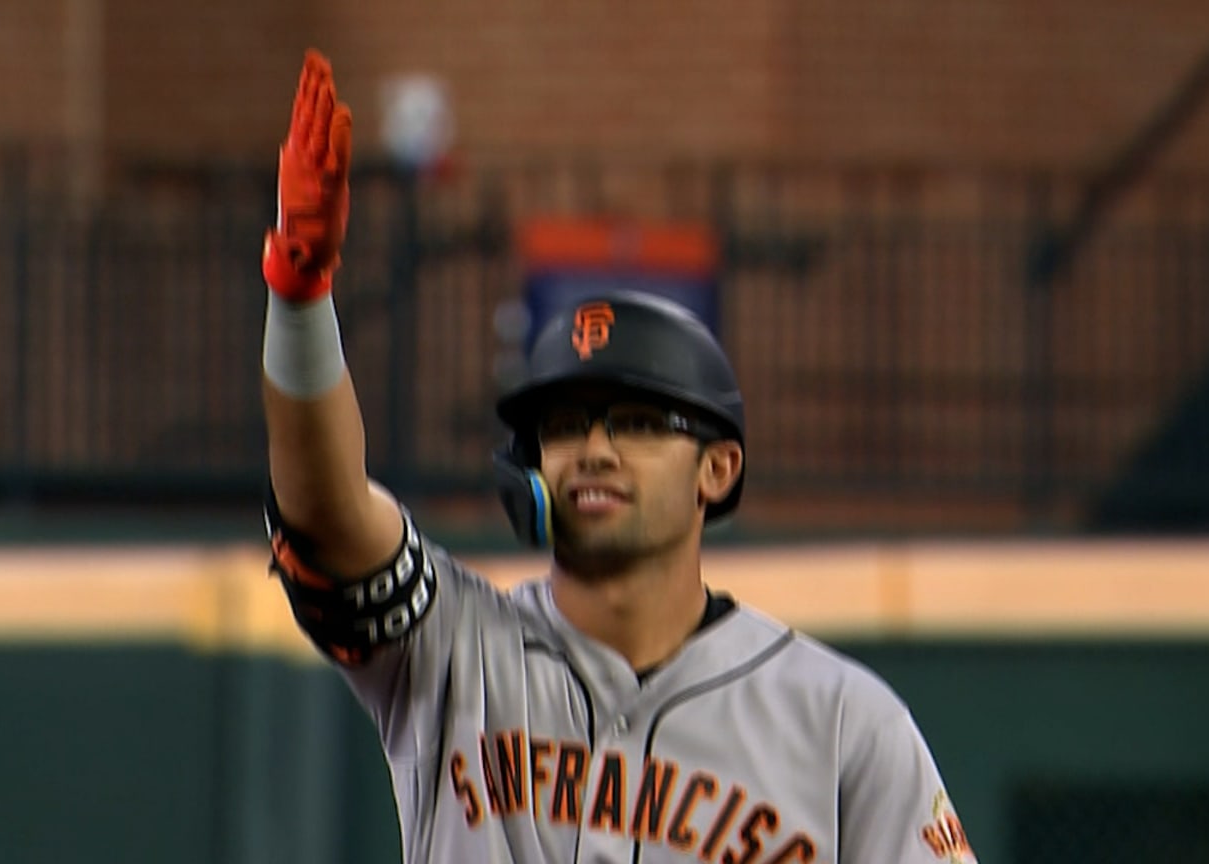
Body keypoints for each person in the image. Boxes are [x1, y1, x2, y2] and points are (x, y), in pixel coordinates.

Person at [259, 49, 979, 864]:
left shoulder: (844, 721)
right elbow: (325, 512)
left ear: (718, 469)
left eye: (637, 424)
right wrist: (300, 296)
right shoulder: (452, 649)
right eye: (564, 427)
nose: (593, 450)